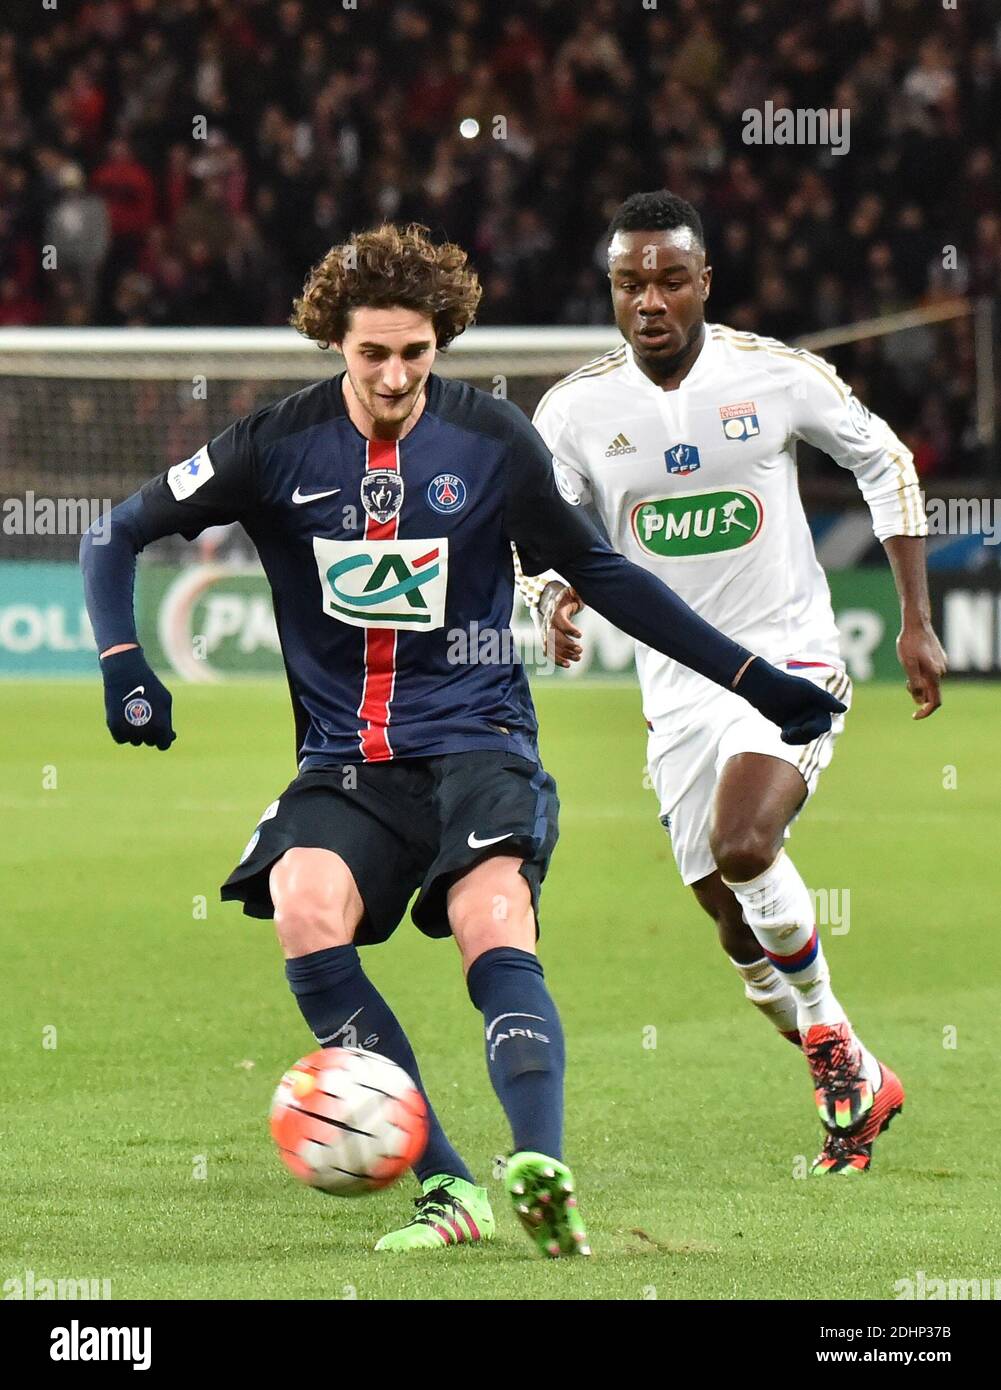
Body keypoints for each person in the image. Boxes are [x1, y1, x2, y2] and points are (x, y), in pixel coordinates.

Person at [80, 222, 843, 1257]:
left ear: (440, 342)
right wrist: (124, 658)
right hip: (347, 763)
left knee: (490, 915)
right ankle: (445, 1185)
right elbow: (113, 530)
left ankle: (539, 1165)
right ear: (334, 344)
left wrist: (753, 680)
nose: (395, 375)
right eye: (372, 353)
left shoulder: (490, 440)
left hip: (479, 740)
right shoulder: (273, 444)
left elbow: (604, 572)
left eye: (415, 352)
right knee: (304, 907)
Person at [519, 191, 947, 1176]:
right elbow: (534, 526)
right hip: (673, 691)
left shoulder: (774, 374)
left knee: (744, 841)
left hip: (787, 656)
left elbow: (885, 463)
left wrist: (914, 620)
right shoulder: (577, 410)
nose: (650, 299)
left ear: (703, 280)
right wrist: (544, 593)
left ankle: (832, 1040)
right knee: (729, 920)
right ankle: (851, 1075)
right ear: (612, 289)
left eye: (670, 278)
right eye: (630, 281)